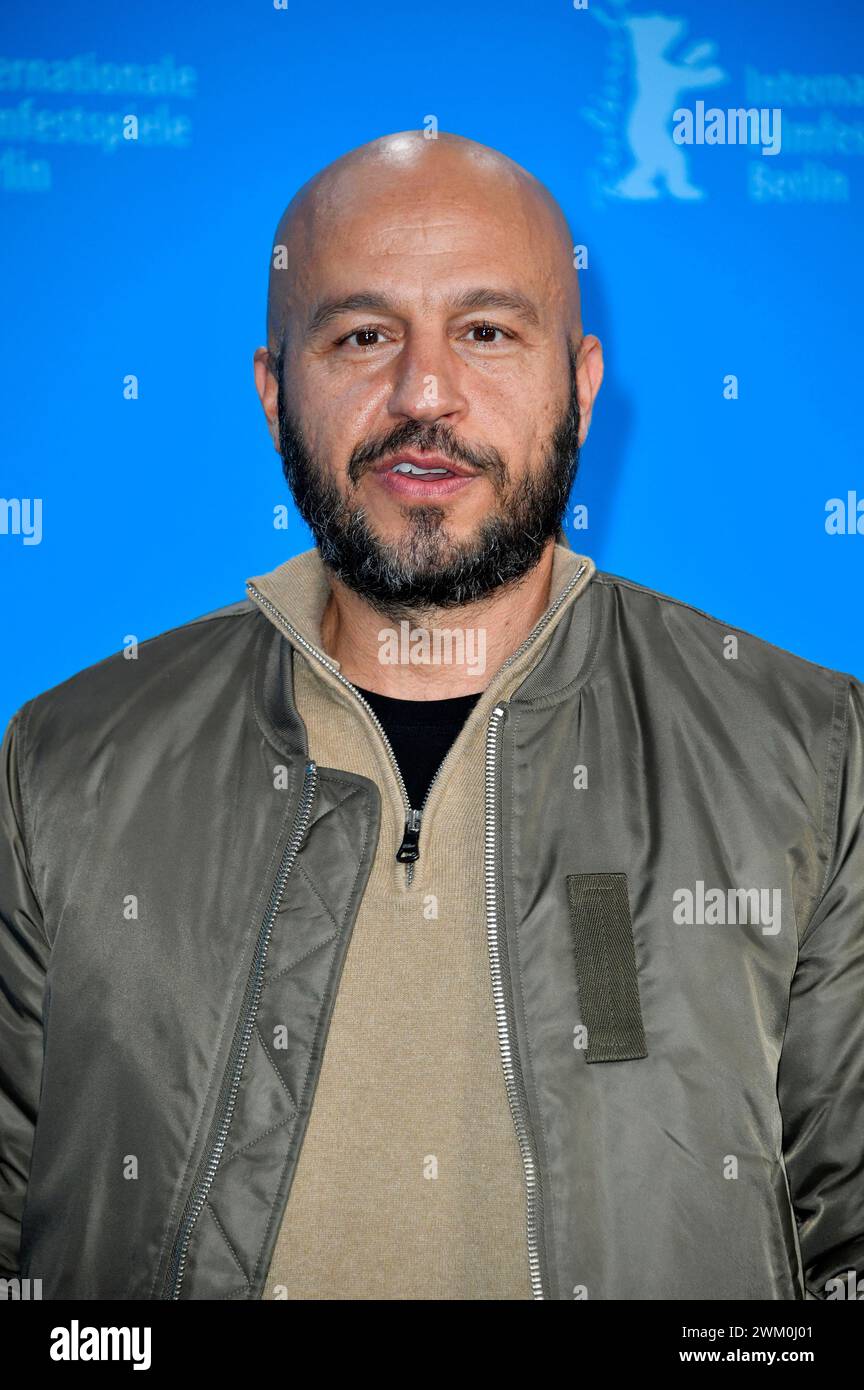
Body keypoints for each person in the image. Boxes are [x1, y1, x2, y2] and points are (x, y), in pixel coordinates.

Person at [1, 131, 861, 1302]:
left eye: (488, 331)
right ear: (271, 391)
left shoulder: (808, 751)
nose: (424, 394)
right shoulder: (65, 761)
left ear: (584, 382)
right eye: (362, 335)